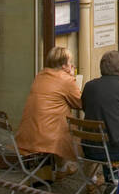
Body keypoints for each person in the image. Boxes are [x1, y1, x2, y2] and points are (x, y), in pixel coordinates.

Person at [16, 45, 82, 177]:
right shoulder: (66, 80)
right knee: (79, 135)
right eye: (70, 63)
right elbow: (80, 103)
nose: (72, 65)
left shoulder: (40, 75)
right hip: (46, 138)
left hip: (27, 134)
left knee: (60, 121)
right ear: (64, 66)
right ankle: (92, 178)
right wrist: (74, 81)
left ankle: (62, 169)